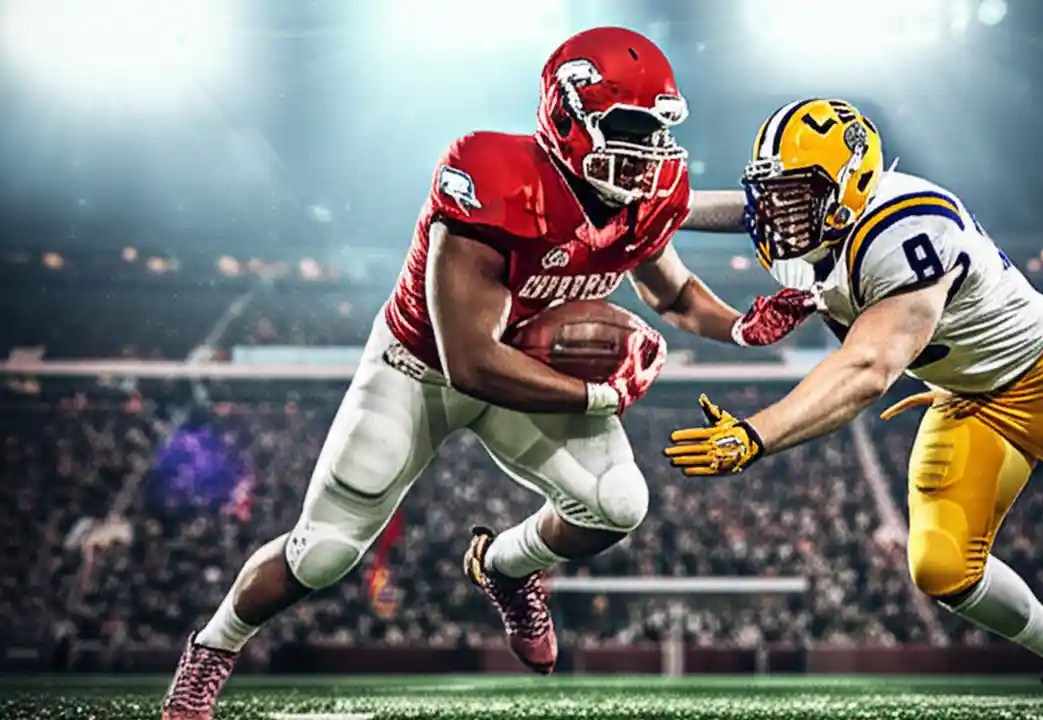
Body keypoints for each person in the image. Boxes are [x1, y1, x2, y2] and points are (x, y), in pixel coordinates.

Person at [161, 27, 811, 720]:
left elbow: (675, 295)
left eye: (656, 130)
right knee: (323, 554)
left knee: (619, 504)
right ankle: (211, 649)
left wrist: (740, 325)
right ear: (566, 115)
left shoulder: (646, 195)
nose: (646, 150)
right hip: (421, 370)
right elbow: (469, 361)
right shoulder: (492, 175)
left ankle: (505, 565)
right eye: (629, 126)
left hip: (527, 366)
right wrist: (597, 393)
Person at [665, 97, 1043, 720]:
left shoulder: (908, 227)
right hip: (967, 397)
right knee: (941, 570)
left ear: (851, 186)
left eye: (796, 195)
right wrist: (655, 206)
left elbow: (870, 369)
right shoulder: (813, 221)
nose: (776, 213)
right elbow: (739, 209)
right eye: (774, 194)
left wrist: (755, 434)